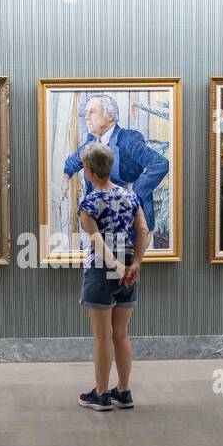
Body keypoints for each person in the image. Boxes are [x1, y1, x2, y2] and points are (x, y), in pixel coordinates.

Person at [76, 141, 150, 412]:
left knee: (102, 336)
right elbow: (142, 229)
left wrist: (117, 267)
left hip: (102, 270)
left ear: (88, 171)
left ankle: (101, 394)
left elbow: (96, 239)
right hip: (129, 265)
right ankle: (124, 391)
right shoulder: (130, 197)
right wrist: (135, 264)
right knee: (121, 334)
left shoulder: (89, 202)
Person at [61, 93, 169, 232]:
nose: (86, 117)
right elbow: (73, 161)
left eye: (92, 112)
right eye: (86, 112)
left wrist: (135, 188)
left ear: (110, 115)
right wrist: (65, 177)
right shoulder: (91, 142)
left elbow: (160, 164)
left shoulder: (128, 139)